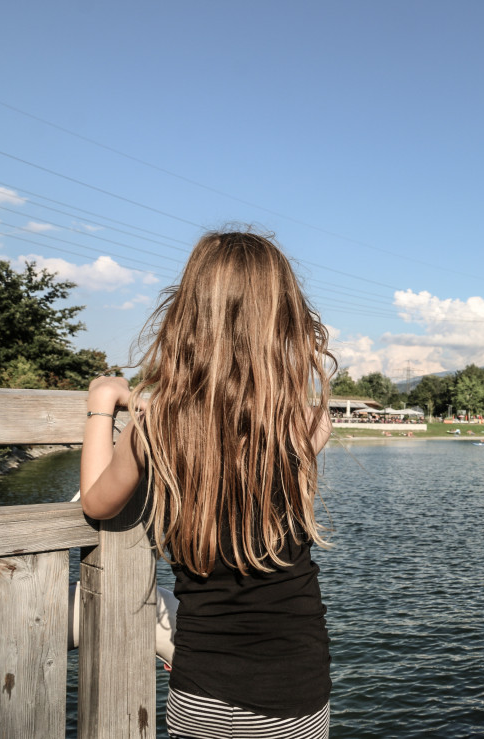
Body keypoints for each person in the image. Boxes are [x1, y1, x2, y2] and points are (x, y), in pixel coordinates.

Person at [79, 231, 334, 739]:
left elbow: (97, 502)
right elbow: (251, 419)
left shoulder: (159, 430)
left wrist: (102, 403)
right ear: (283, 320)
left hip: (205, 689)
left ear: (188, 316)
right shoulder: (307, 426)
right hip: (300, 689)